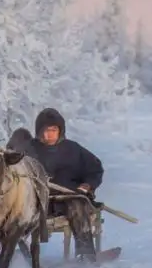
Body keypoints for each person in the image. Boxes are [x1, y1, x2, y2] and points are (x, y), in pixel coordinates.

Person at [29, 107, 104, 259]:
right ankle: (0, 252)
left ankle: (85, 254)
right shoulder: (29, 149)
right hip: (37, 200)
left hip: (68, 197)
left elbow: (94, 169)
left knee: (77, 204)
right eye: (44, 130)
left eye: (52, 130)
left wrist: (87, 185)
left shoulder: (73, 149)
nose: (47, 135)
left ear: (60, 130)